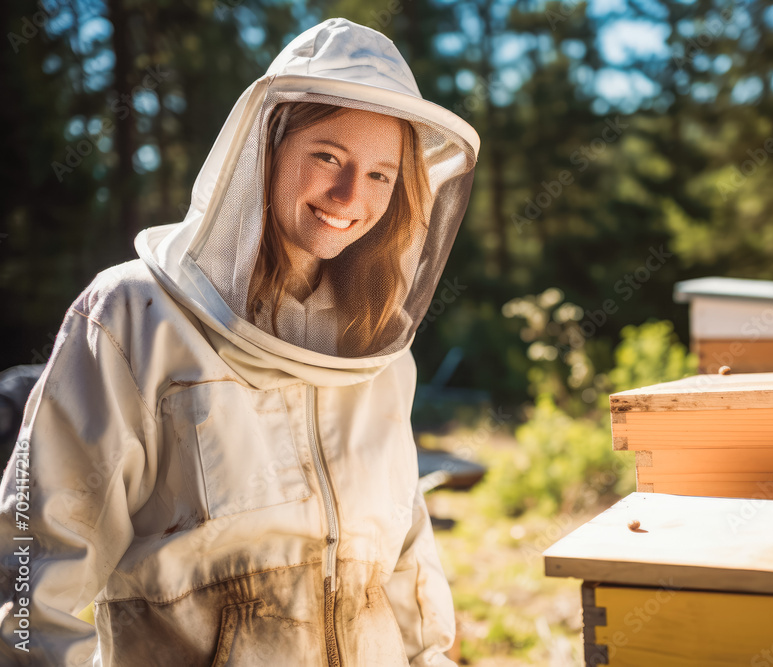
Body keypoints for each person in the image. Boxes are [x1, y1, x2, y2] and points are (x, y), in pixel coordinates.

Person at [0, 17, 479, 667]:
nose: (349, 195)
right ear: (266, 146)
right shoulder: (132, 317)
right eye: (328, 156)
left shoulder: (377, 345)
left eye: (379, 175)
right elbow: (33, 575)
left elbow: (402, 544)